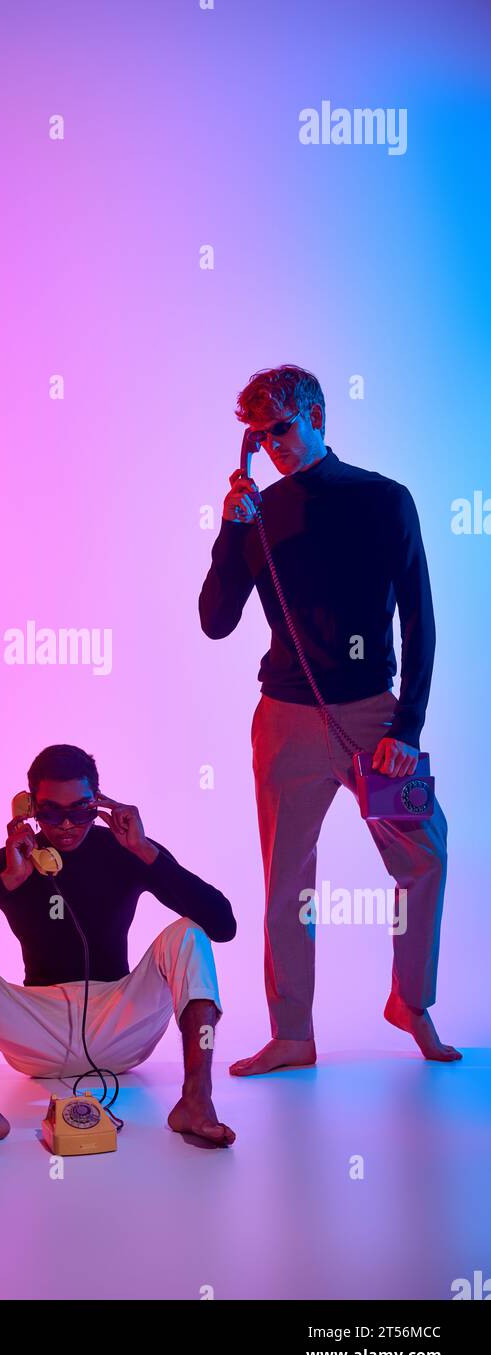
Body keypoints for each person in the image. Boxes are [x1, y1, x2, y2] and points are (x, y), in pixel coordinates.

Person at [198, 364, 460, 1075]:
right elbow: (215, 623)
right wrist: (230, 530)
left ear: (315, 416)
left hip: (373, 719)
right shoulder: (261, 511)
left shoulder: (382, 499)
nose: (272, 445)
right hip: (286, 719)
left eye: (281, 428)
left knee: (423, 853)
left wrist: (405, 729)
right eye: (259, 436)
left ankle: (412, 1001)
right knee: (289, 882)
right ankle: (291, 1034)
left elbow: (419, 618)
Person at [0, 744, 237, 1158]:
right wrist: (5, 882)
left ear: (99, 804)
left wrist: (145, 851)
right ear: (29, 811)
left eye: (80, 811)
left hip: (119, 1020)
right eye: (50, 812)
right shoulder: (10, 864)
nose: (66, 824)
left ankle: (196, 1101)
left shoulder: (128, 851)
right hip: (36, 1030)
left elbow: (223, 925)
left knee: (190, 935)